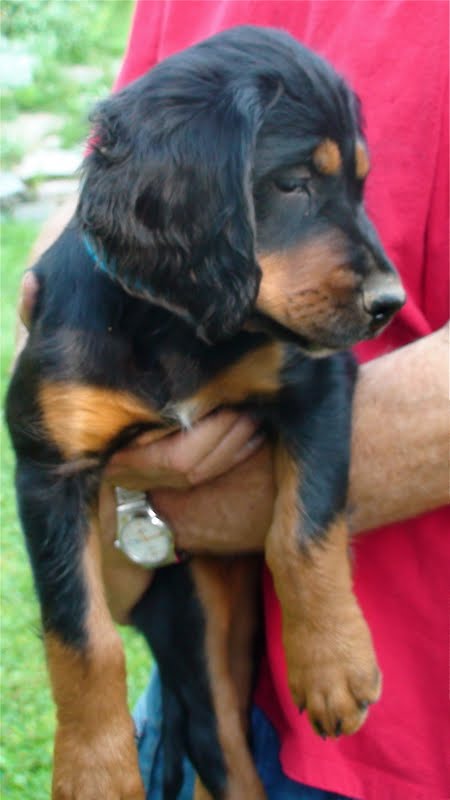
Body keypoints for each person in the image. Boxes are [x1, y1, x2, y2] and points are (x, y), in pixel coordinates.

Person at [17, 2, 449, 799]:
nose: (371, 270)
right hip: (215, 680)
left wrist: (301, 563)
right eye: (295, 184)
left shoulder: (267, 332)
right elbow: (117, 178)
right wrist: (86, 710)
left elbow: (319, 387)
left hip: (414, 717)